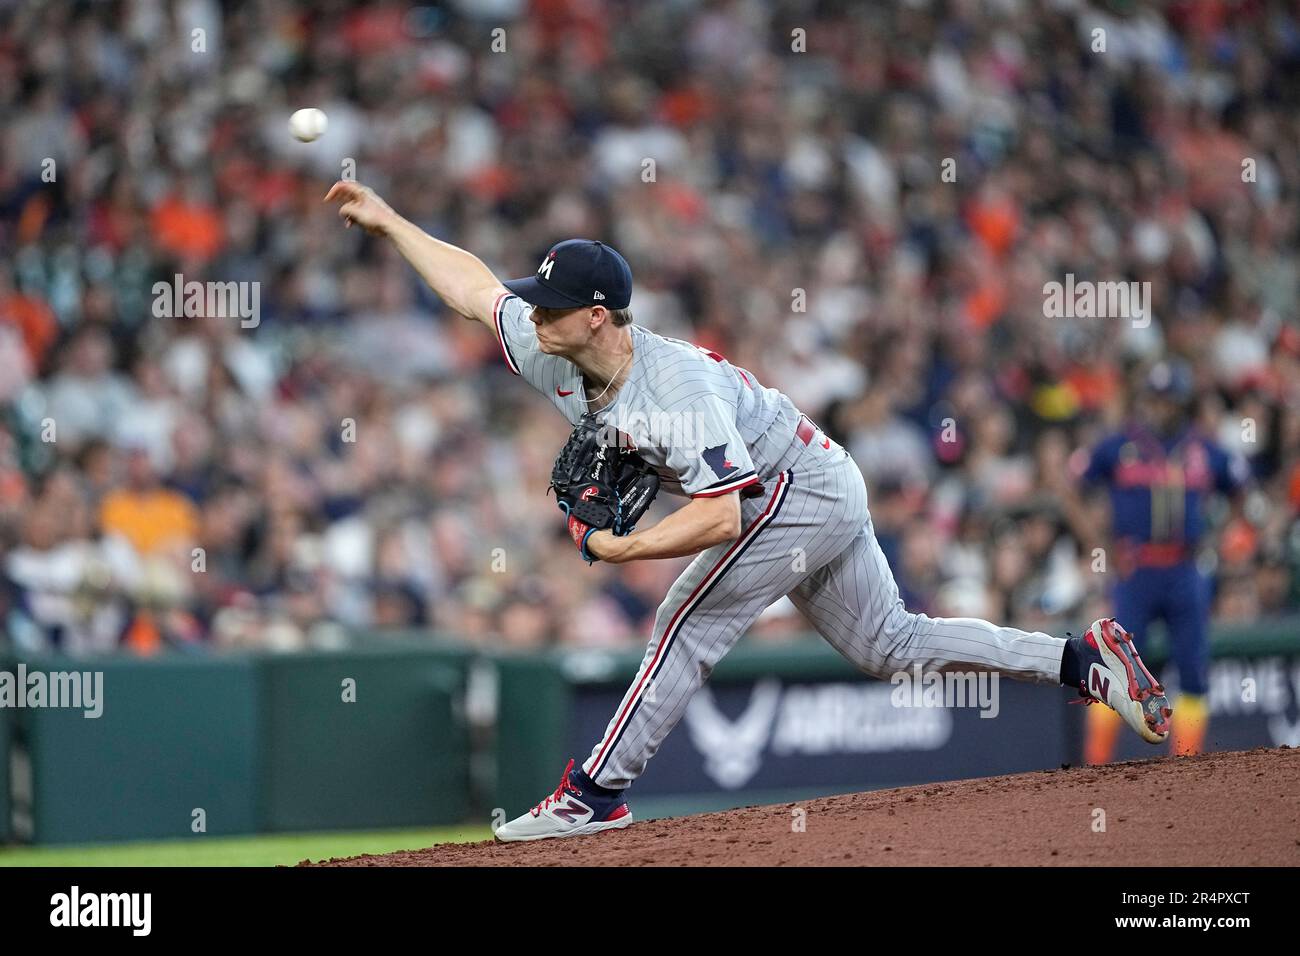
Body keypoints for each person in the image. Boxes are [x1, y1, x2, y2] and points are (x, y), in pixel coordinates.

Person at [325, 181, 1173, 842]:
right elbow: (473, 289)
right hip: (816, 479)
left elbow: (725, 516)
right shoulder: (556, 347)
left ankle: (594, 795)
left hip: (787, 490)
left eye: (547, 306)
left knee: (685, 619)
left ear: (596, 317)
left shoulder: (675, 391)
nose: (530, 315)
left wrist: (625, 549)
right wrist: (391, 221)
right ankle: (1078, 659)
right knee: (892, 646)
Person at [1073, 360, 1249, 762]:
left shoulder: (1202, 448)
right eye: (1155, 399)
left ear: (1182, 404)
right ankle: (1094, 767)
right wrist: (1095, 540)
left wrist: (1225, 541)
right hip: (1135, 569)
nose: (1161, 408)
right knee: (1115, 668)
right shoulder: (1118, 445)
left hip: (1185, 569)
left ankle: (1186, 765)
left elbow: (1241, 488)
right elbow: (1073, 485)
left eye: (1169, 401)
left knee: (1192, 671)